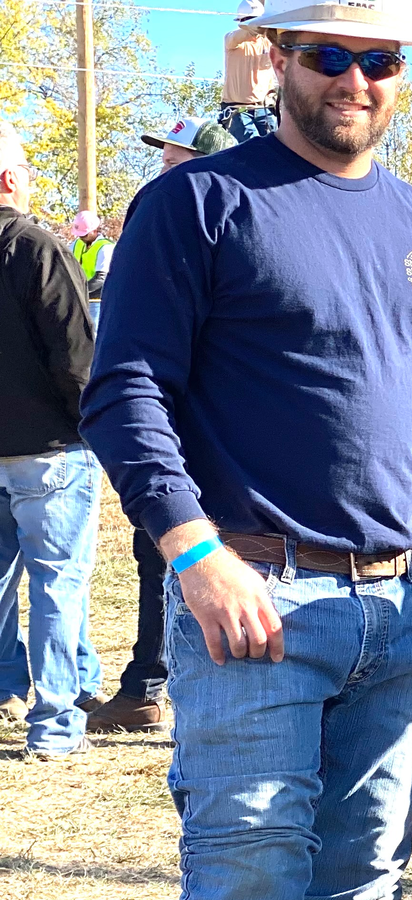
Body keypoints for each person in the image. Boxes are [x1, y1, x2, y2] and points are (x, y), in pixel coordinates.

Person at [79, 0, 412, 900]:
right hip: (257, 606)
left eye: (378, 60)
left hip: (401, 614)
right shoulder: (197, 203)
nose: (354, 79)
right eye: (329, 55)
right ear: (278, 60)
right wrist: (194, 552)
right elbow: (124, 389)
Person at [85, 116, 242, 737]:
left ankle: (151, 686)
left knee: (171, 565)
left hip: (209, 459)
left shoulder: (218, 225)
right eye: (164, 161)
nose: (163, 174)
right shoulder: (162, 224)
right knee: (155, 563)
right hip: (162, 446)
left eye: (177, 162)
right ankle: (147, 684)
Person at [0, 119, 101, 761]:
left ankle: (15, 687)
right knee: (58, 583)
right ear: (10, 178)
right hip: (50, 449)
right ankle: (56, 720)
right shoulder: (36, 247)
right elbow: (75, 356)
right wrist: (98, 426)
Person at [221, 1, 279, 142]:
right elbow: (241, 35)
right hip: (238, 111)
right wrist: (255, 27)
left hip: (264, 110)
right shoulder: (233, 42)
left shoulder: (268, 43)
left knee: (278, 151)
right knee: (253, 152)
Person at [68, 209, 113, 326]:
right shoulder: (76, 244)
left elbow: (101, 279)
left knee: (94, 335)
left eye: (84, 234)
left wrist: (78, 291)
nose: (81, 237)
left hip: (97, 301)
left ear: (95, 230)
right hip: (80, 299)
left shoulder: (105, 247)